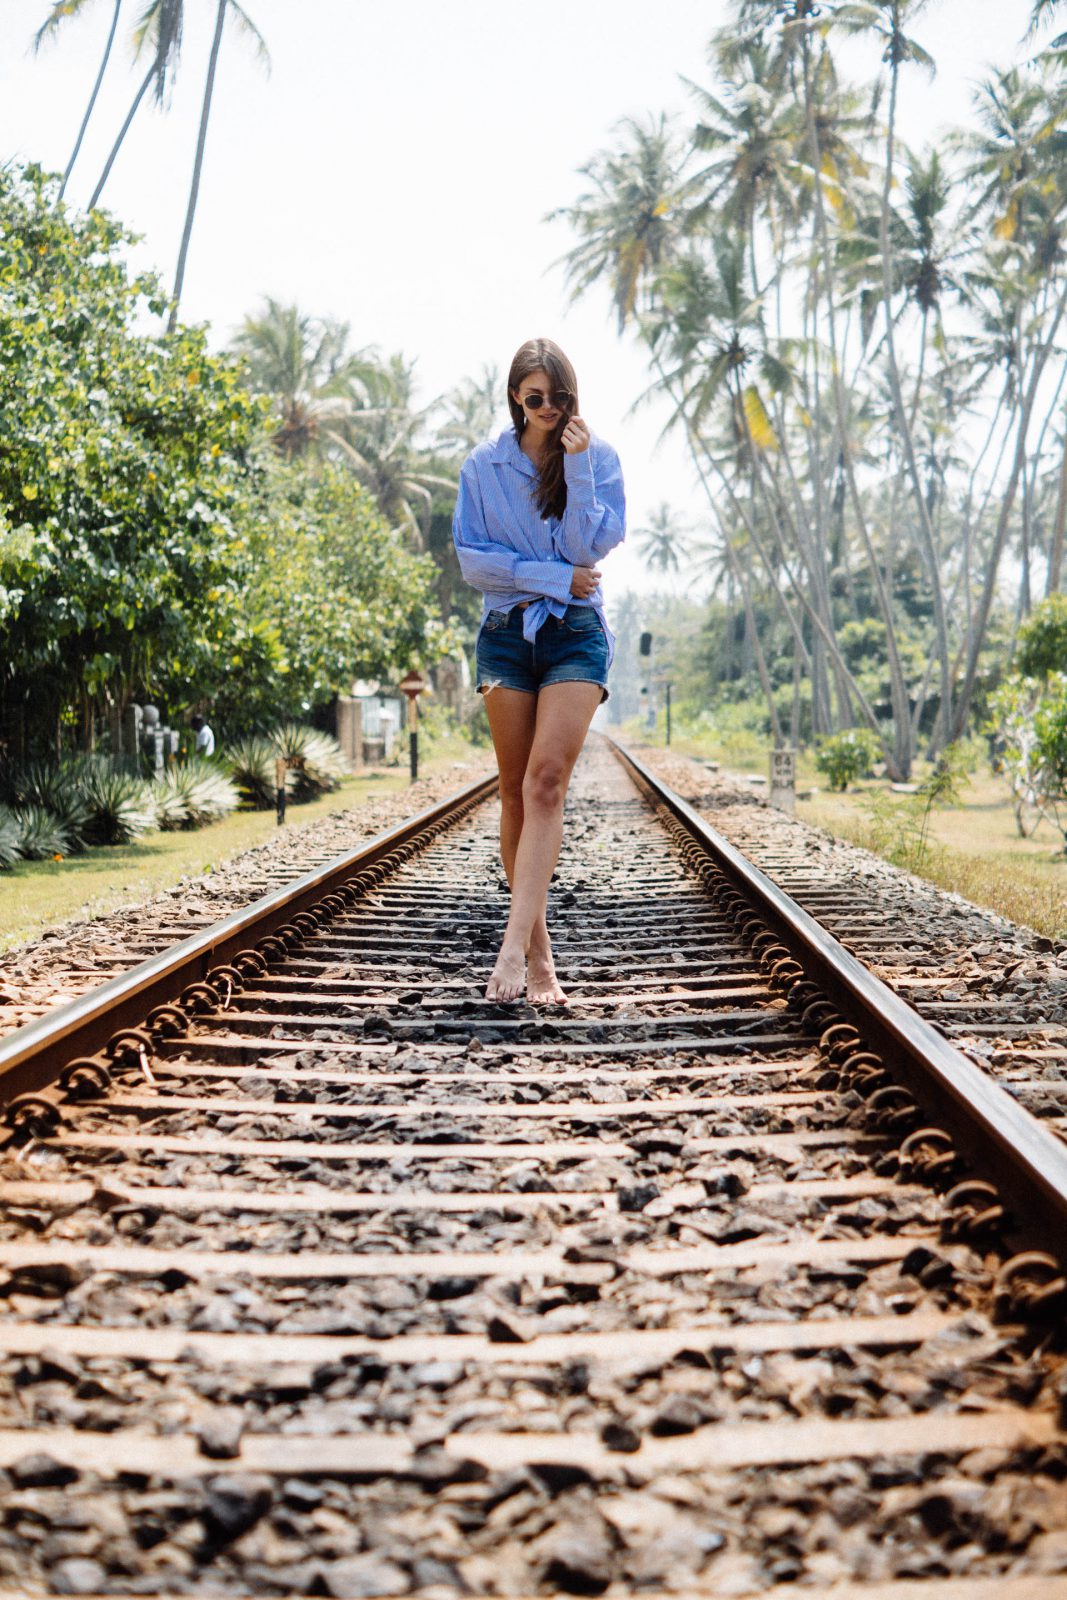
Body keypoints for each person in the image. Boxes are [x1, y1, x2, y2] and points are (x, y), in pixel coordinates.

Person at [452, 337, 625, 1004]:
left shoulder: (598, 458)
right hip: (504, 637)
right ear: (515, 398)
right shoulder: (482, 467)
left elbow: (588, 549)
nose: (548, 407)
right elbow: (475, 564)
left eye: (559, 396)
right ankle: (540, 957)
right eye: (535, 397)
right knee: (515, 793)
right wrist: (554, 578)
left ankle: (509, 951)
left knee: (545, 782)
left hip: (575, 636)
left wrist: (576, 469)